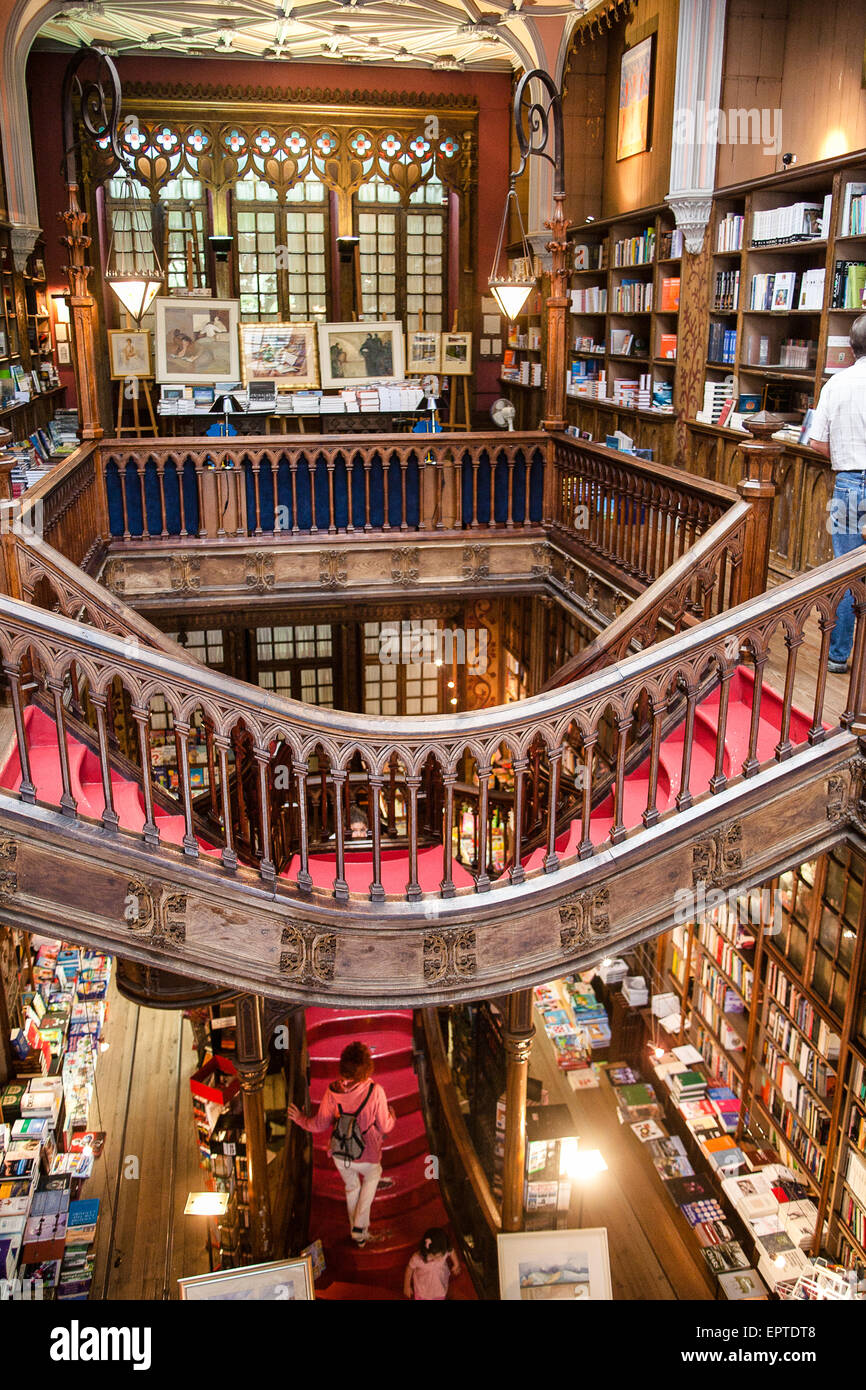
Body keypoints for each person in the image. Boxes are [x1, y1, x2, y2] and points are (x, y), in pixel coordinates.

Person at [287, 1040, 395, 1246]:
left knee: (352, 1186)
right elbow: (385, 1126)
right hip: (367, 1153)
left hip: (340, 1152)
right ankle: (359, 1227)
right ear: (366, 1068)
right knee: (373, 1176)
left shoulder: (332, 1091)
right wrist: (392, 1117)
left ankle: (358, 1235)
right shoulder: (375, 1091)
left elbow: (319, 1125)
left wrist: (300, 1118)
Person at [808, 314, 866, 672]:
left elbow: (816, 441)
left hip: (847, 485)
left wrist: (847, 458)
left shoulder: (836, 383)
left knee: (847, 572)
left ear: (851, 346)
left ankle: (839, 656)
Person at [403, 1227, 461, 1301]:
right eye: (432, 1256)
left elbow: (451, 1251)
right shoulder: (417, 1258)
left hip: (439, 1286)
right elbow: (409, 1268)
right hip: (422, 1288)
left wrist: (456, 1264)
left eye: (439, 1256)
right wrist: (406, 1285)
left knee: (440, 1295)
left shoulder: (444, 1249)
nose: (437, 1259)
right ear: (425, 1251)